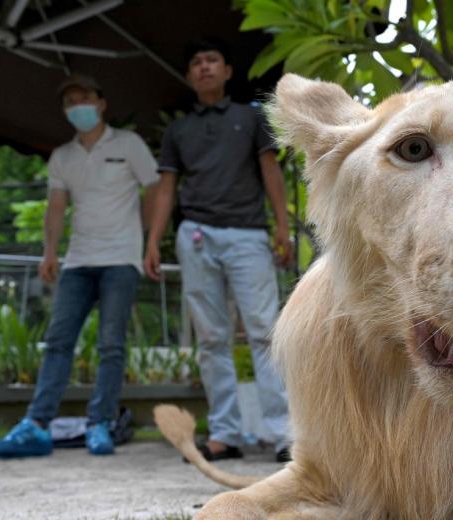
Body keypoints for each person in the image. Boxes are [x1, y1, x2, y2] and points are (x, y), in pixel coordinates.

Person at [0, 74, 160, 458]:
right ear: (65, 112)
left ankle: (101, 424)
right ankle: (36, 425)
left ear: (101, 103)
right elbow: (56, 207)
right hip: (77, 260)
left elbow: (155, 186)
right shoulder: (61, 156)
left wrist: (148, 237)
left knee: (111, 345)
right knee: (58, 342)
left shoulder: (129, 144)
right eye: (70, 101)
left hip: (121, 259)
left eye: (84, 97)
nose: (78, 105)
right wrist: (49, 252)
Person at [144, 37, 293, 463]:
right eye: (196, 62)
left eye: (212, 60)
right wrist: (153, 240)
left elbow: (270, 171)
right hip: (196, 235)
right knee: (210, 338)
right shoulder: (178, 130)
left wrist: (282, 226)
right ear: (189, 75)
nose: (204, 67)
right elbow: (166, 187)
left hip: (248, 234)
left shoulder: (252, 117)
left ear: (227, 71)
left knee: (264, 332)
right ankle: (224, 434)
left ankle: (286, 434)